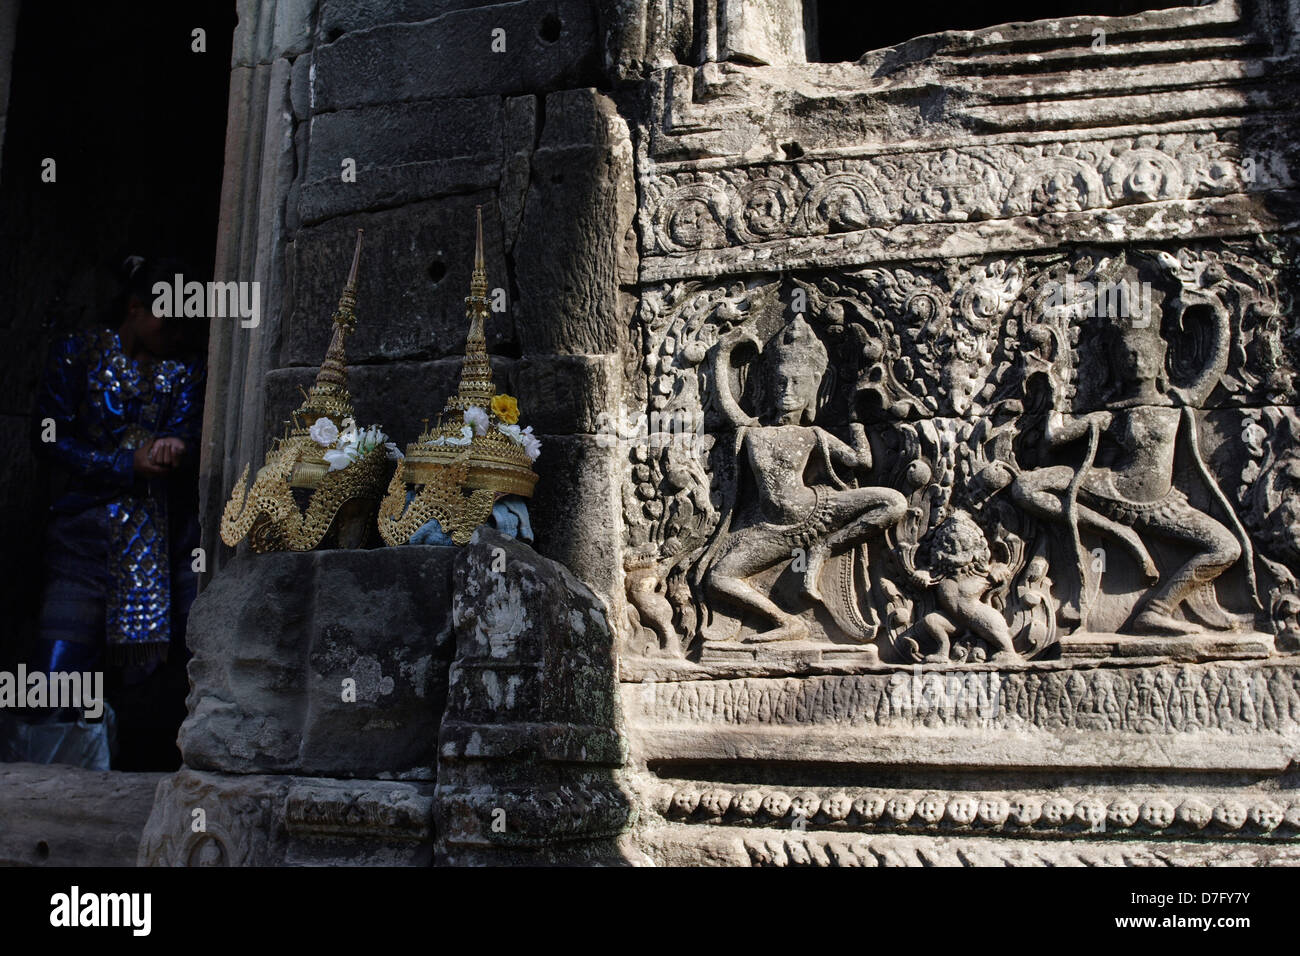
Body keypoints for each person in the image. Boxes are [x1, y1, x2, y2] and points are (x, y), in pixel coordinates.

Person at [21, 254, 205, 769]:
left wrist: (174, 448)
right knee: (60, 670)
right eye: (170, 317)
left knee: (159, 677)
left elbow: (190, 431)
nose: (179, 330)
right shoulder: (77, 352)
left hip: (161, 539)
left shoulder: (186, 368)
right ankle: (41, 786)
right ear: (134, 308)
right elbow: (47, 434)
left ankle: (137, 779)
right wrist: (126, 464)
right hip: (83, 534)